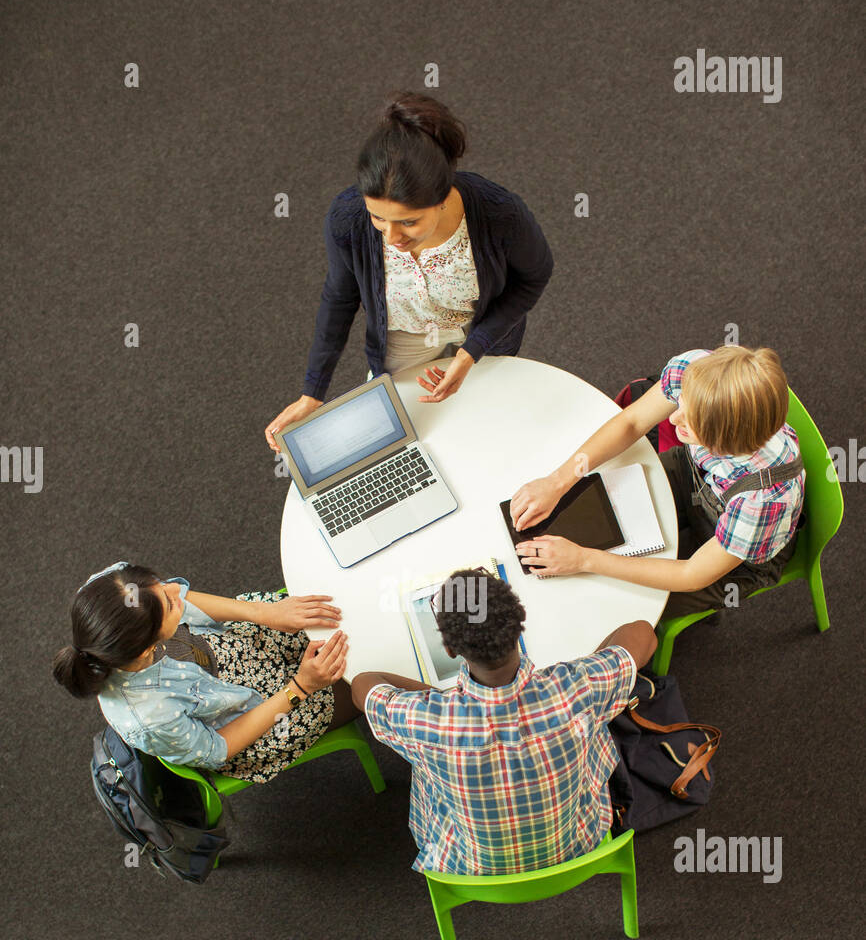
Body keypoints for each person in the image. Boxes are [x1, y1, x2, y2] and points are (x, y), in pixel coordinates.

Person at [265, 90, 554, 449]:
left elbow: (534, 276)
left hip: (480, 327)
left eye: (409, 222)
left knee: (485, 424)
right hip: (405, 338)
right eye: (378, 218)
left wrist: (472, 351)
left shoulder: (499, 213)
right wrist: (313, 391)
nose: (391, 236)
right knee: (412, 438)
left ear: (443, 196)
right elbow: (339, 299)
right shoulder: (346, 219)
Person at [351, 568, 656, 875]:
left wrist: (437, 697)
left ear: (450, 649)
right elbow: (643, 632)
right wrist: (587, 668)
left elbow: (364, 684)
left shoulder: (425, 720)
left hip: (469, 866)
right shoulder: (578, 689)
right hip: (578, 843)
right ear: (518, 629)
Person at [509, 345, 805, 618]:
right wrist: (557, 481)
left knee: (616, 600)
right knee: (592, 505)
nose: (673, 419)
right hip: (698, 475)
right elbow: (632, 422)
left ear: (725, 439)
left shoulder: (764, 501)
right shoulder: (698, 370)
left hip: (736, 558)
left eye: (691, 422)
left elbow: (691, 574)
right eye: (681, 404)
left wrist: (584, 560)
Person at [52, 562, 358, 782]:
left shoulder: (111, 590)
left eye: (161, 586)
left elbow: (181, 599)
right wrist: (300, 687)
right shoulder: (150, 718)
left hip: (224, 647)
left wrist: (262, 613)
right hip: (246, 721)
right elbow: (219, 747)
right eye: (170, 604)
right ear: (147, 650)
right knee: (359, 679)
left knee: (336, 618)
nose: (176, 589)